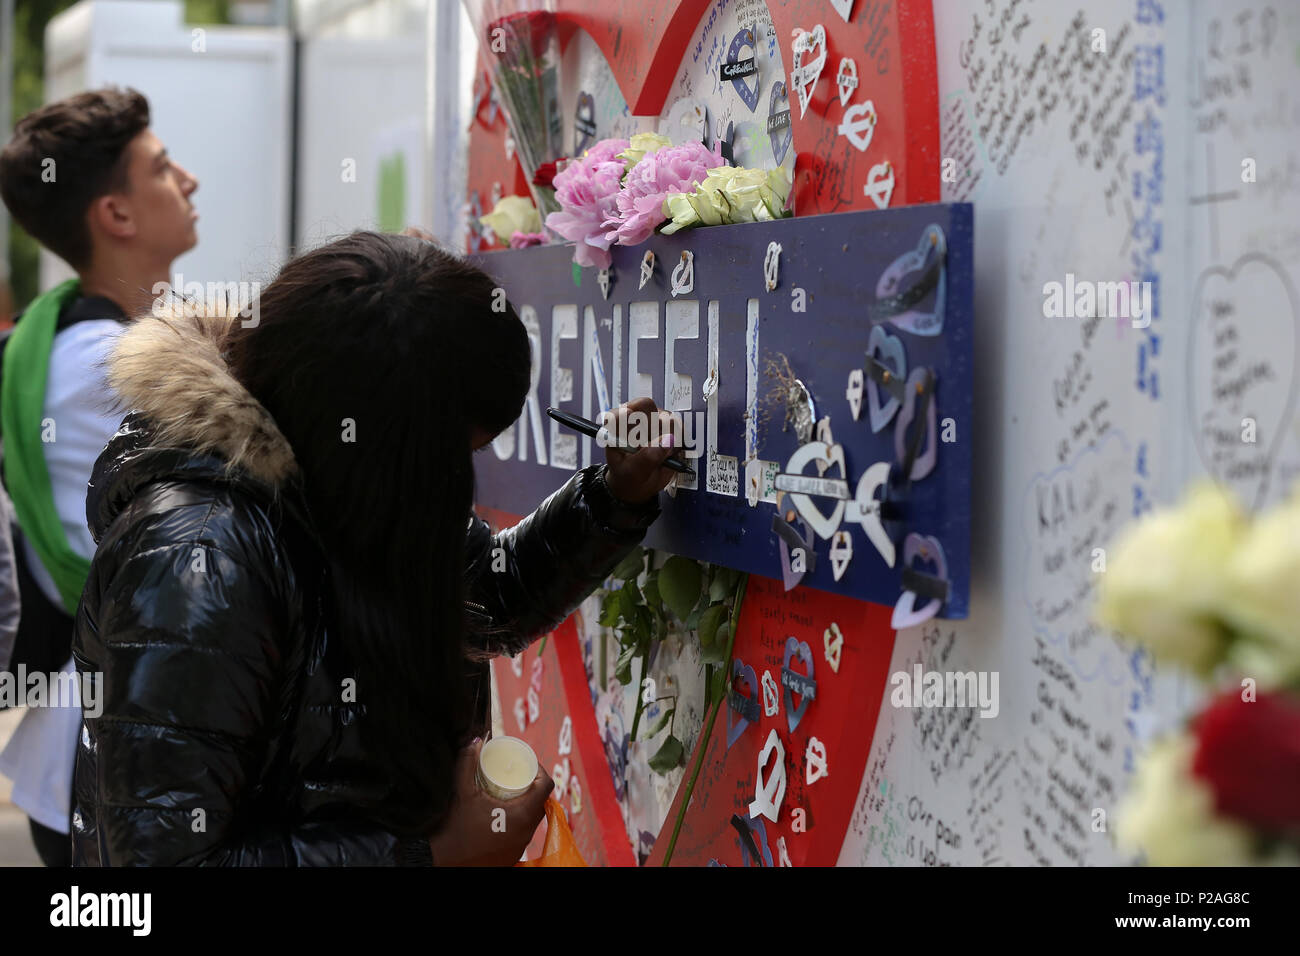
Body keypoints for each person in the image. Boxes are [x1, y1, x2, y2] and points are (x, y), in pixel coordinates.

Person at [71, 230, 681, 865]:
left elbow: (483, 591)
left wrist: (613, 495)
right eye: (456, 458)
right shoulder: (200, 559)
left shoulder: (332, 473)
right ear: (384, 449)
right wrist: (425, 854)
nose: (456, 485)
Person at [0, 87, 199, 866]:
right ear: (115, 215)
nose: (188, 180)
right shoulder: (104, 366)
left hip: (95, 750)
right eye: (160, 167)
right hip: (121, 770)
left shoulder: (66, 337)